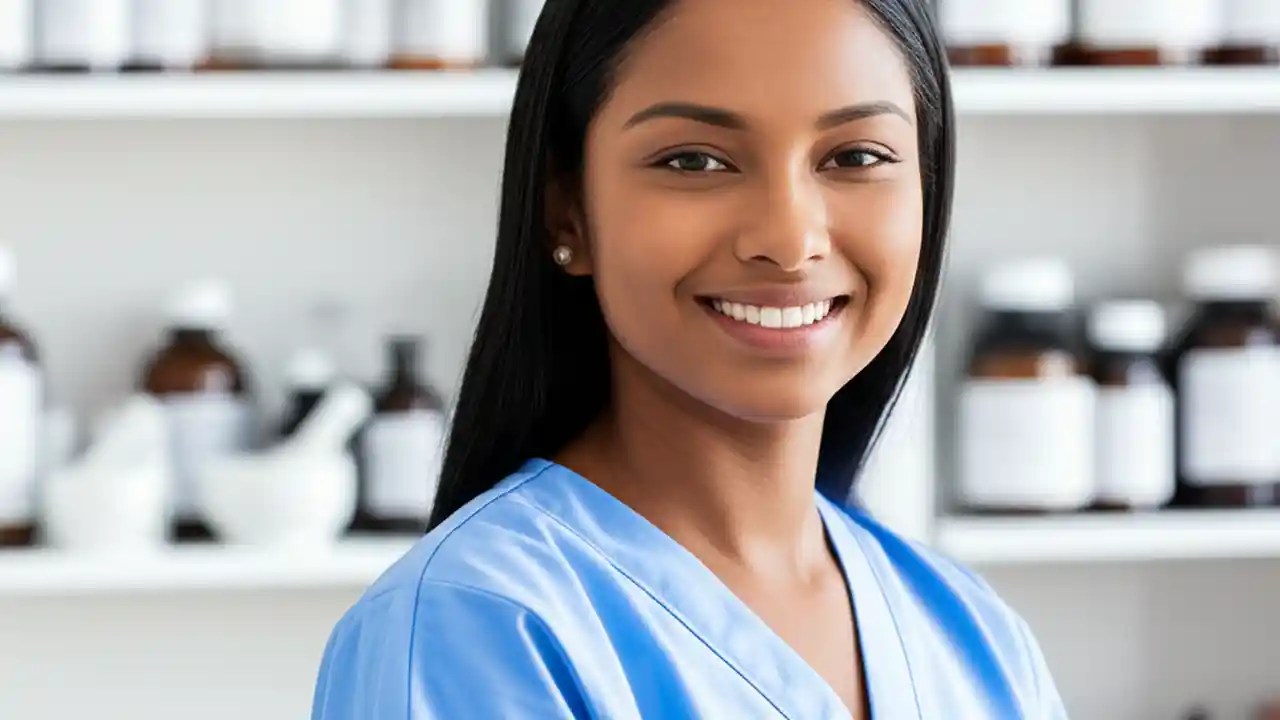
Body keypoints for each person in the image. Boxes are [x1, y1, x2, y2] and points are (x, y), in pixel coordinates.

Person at [313, 0, 1067, 717]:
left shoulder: (976, 638)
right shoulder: (480, 625)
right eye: (695, 162)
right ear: (565, 209)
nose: (788, 236)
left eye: (856, 156)